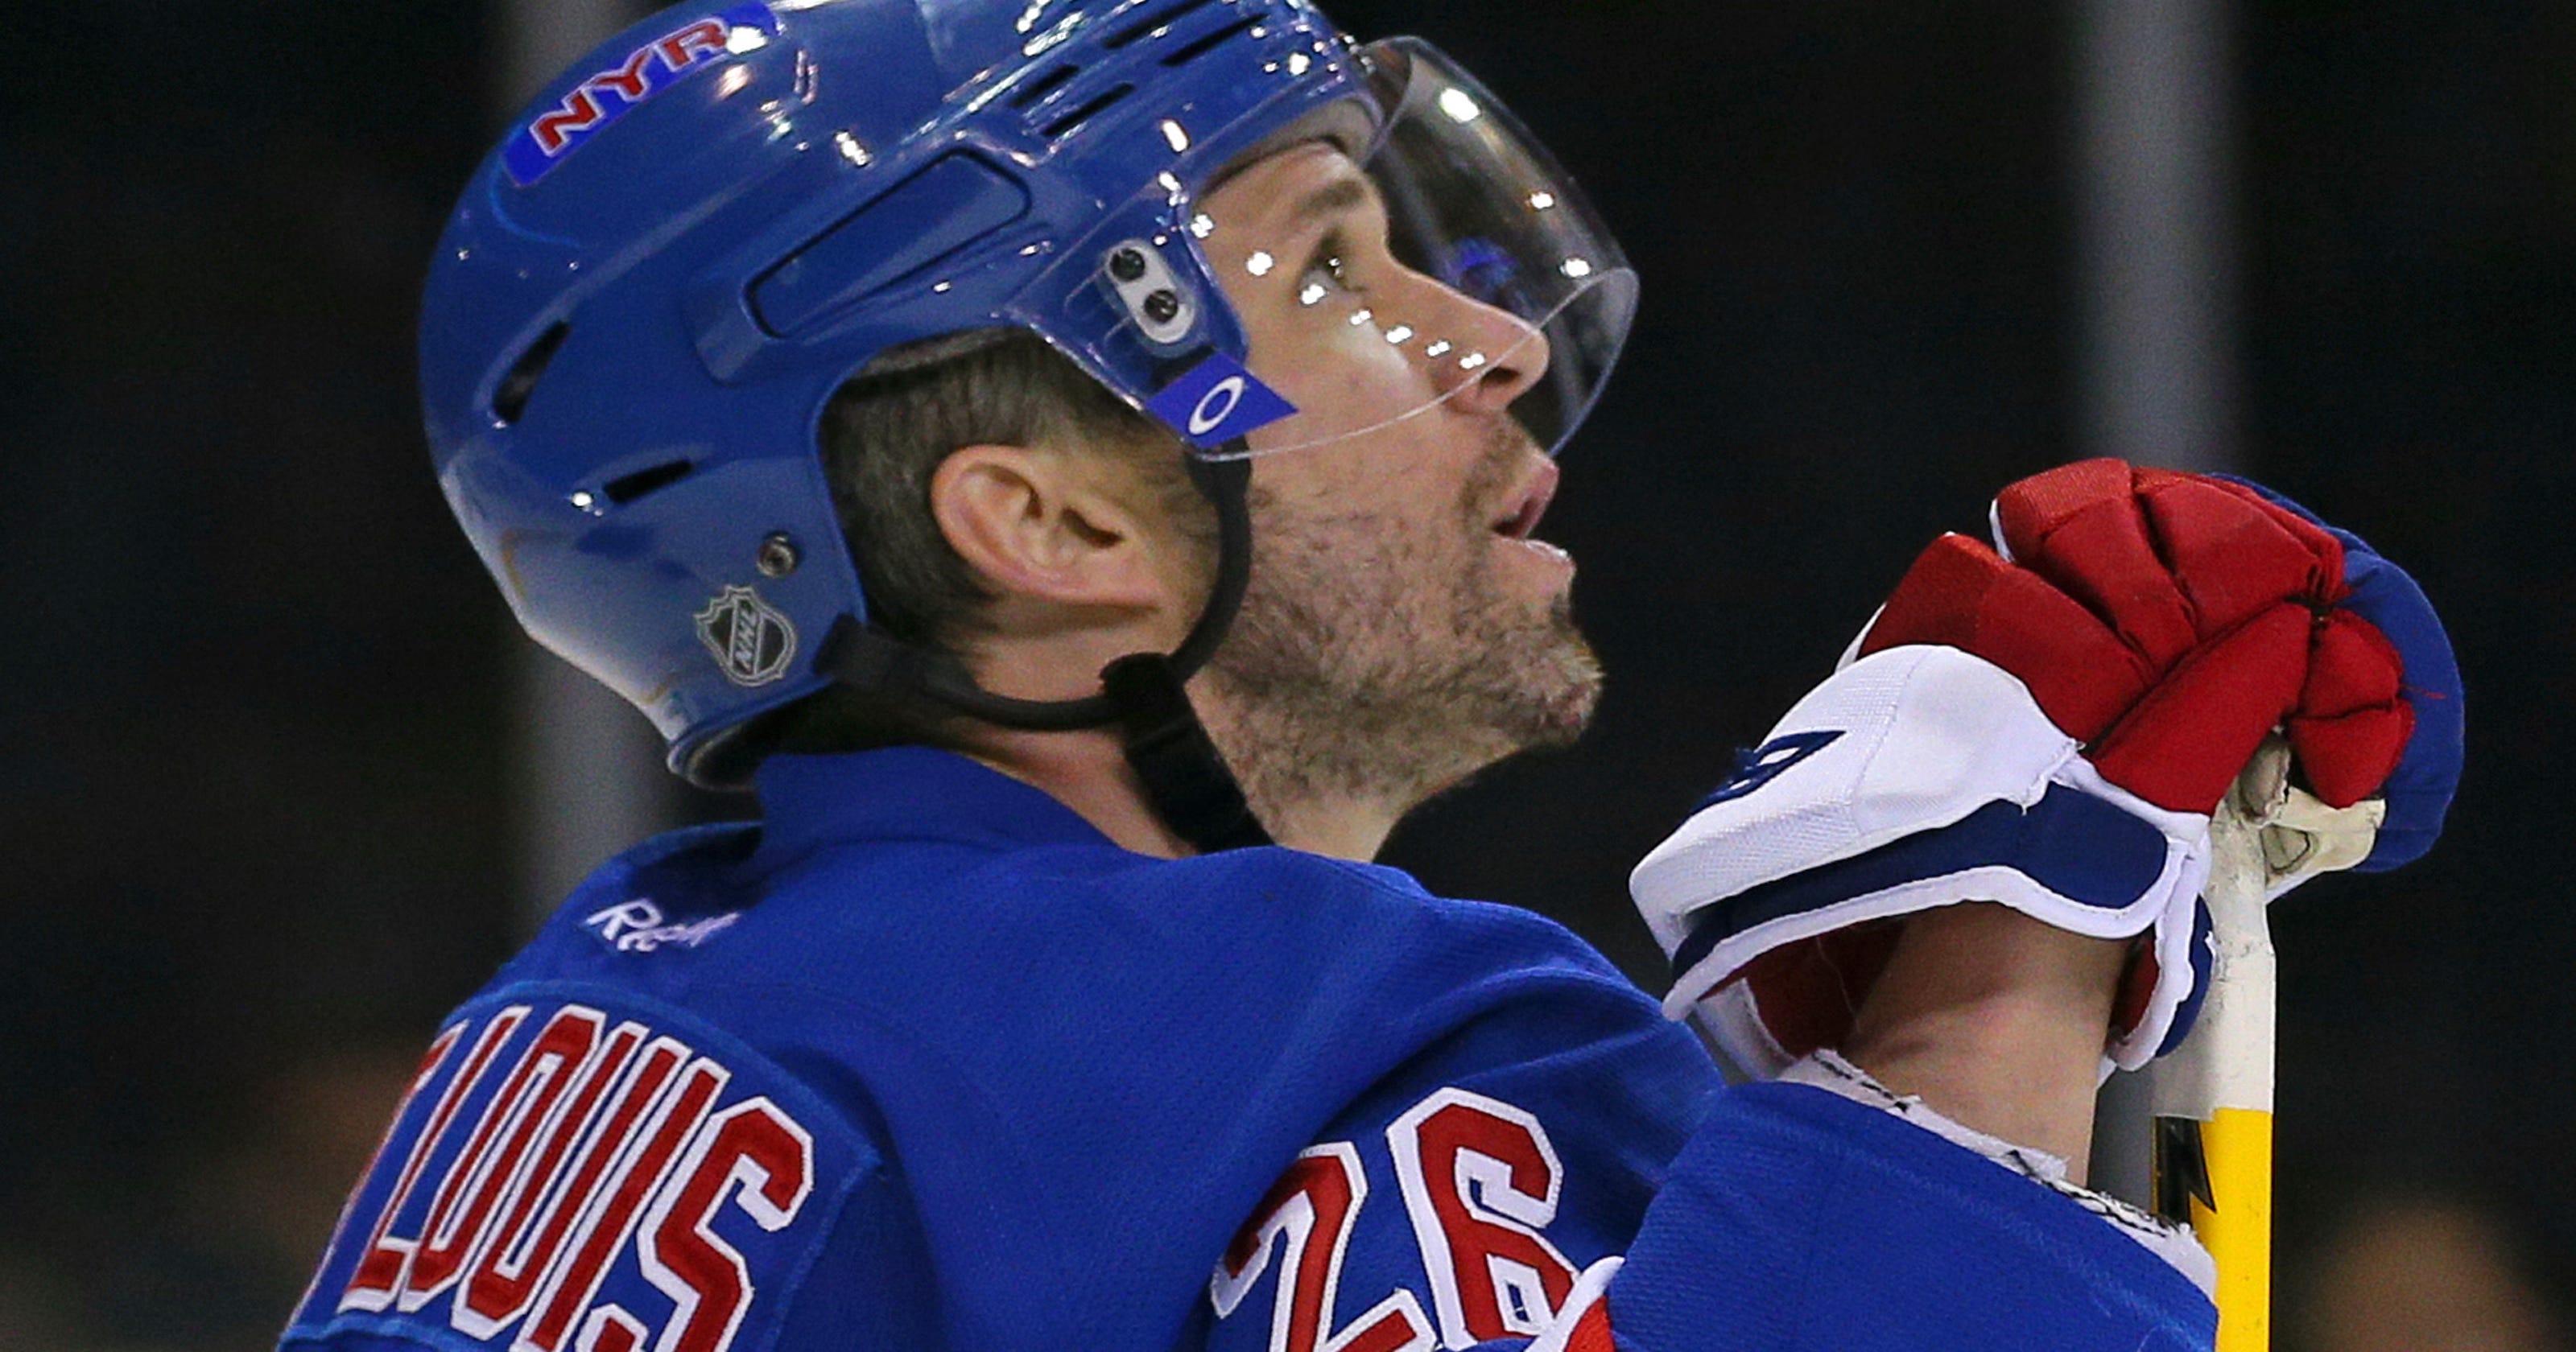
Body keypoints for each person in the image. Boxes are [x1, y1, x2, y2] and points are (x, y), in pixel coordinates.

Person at [280, 2, 2462, 1350]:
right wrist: (1997, 950)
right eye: (1329, 265)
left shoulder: (587, 1039)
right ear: (1051, 525)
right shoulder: (1262, 1046)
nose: (1493, 340)